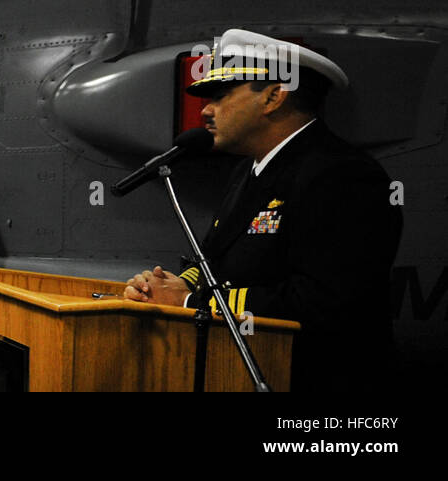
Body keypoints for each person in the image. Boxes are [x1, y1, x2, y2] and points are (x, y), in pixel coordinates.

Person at [122, 29, 402, 392]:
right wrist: (172, 285)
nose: (206, 111)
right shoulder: (249, 169)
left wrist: (191, 301)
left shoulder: (341, 174)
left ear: (273, 96)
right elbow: (215, 257)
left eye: (220, 96)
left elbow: (324, 304)